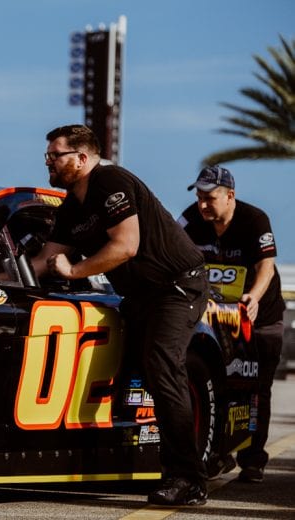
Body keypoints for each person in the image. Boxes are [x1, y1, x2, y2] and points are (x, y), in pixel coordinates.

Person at [30, 124, 210, 506]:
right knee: (136, 370)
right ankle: (132, 458)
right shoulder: (71, 207)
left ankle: (188, 478)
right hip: (140, 294)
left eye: (55, 155)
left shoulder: (109, 180)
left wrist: (75, 271)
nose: (48, 161)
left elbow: (126, 246)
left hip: (177, 286)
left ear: (81, 158)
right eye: (47, 155)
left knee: (162, 367)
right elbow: (44, 261)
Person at [179, 165, 285, 483]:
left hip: (260, 317)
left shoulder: (255, 220)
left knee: (256, 389)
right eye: (199, 198)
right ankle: (217, 453)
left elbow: (266, 266)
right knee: (218, 385)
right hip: (215, 319)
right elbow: (171, 253)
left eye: (209, 198)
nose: (202, 205)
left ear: (230, 196)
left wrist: (252, 297)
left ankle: (253, 459)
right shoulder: (189, 220)